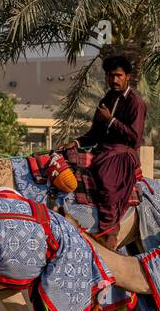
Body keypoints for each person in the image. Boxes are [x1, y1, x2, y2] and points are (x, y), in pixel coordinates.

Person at [62, 55, 148, 240]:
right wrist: (76, 143)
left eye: (118, 75)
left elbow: (135, 138)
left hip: (122, 153)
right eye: (110, 76)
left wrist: (111, 120)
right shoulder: (107, 99)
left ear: (127, 77)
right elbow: (95, 133)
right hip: (104, 149)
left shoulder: (136, 103)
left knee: (105, 176)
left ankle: (110, 231)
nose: (114, 80)